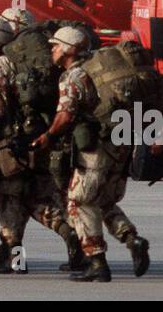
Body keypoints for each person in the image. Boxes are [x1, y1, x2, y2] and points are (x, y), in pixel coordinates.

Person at [31, 26, 148, 282]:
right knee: (103, 201)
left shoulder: (73, 76)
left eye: (56, 45)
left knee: (78, 201)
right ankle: (132, 238)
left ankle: (97, 262)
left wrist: (48, 136)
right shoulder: (99, 69)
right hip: (121, 143)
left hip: (95, 149)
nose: (52, 49)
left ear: (70, 50)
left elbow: (65, 114)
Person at [0, 15, 80, 274]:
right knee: (35, 199)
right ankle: (76, 242)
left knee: (10, 201)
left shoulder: (1, 64)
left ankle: (16, 260)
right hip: (38, 138)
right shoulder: (25, 60)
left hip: (13, 144)